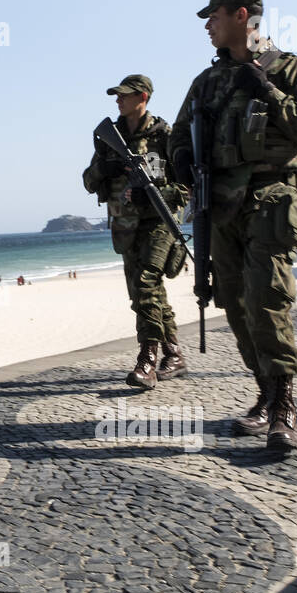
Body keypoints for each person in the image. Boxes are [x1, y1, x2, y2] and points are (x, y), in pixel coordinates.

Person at [170, 0, 297, 452]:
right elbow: (178, 136)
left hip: (271, 197)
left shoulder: (287, 67)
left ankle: (283, 406)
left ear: (241, 15)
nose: (207, 25)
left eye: (212, 16)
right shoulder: (206, 82)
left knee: (266, 299)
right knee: (235, 304)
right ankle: (263, 390)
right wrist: (180, 161)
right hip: (220, 207)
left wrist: (270, 92)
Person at [82, 74, 188, 388]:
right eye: (117, 96)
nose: (118, 100)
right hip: (125, 227)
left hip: (158, 222)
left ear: (142, 97)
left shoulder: (164, 135)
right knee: (145, 295)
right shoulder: (109, 136)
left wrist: (158, 194)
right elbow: (88, 180)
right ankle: (174, 352)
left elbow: (185, 185)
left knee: (146, 284)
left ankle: (148, 359)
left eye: (124, 95)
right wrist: (105, 168)